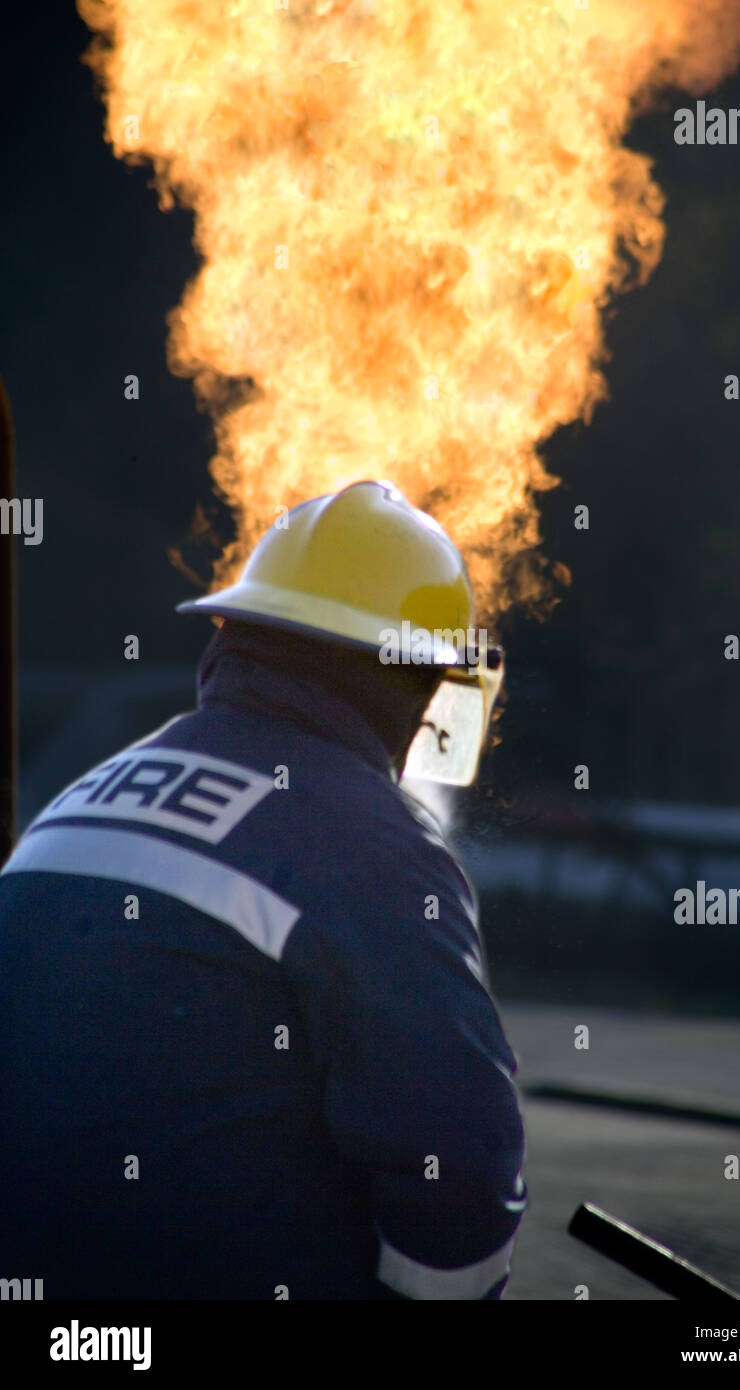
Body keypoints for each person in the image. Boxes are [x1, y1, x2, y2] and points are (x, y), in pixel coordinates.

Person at [0, 479, 527, 1300]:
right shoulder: (376, 846)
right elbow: (459, 1169)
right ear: (420, 692)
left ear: (231, 644)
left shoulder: (82, 801)